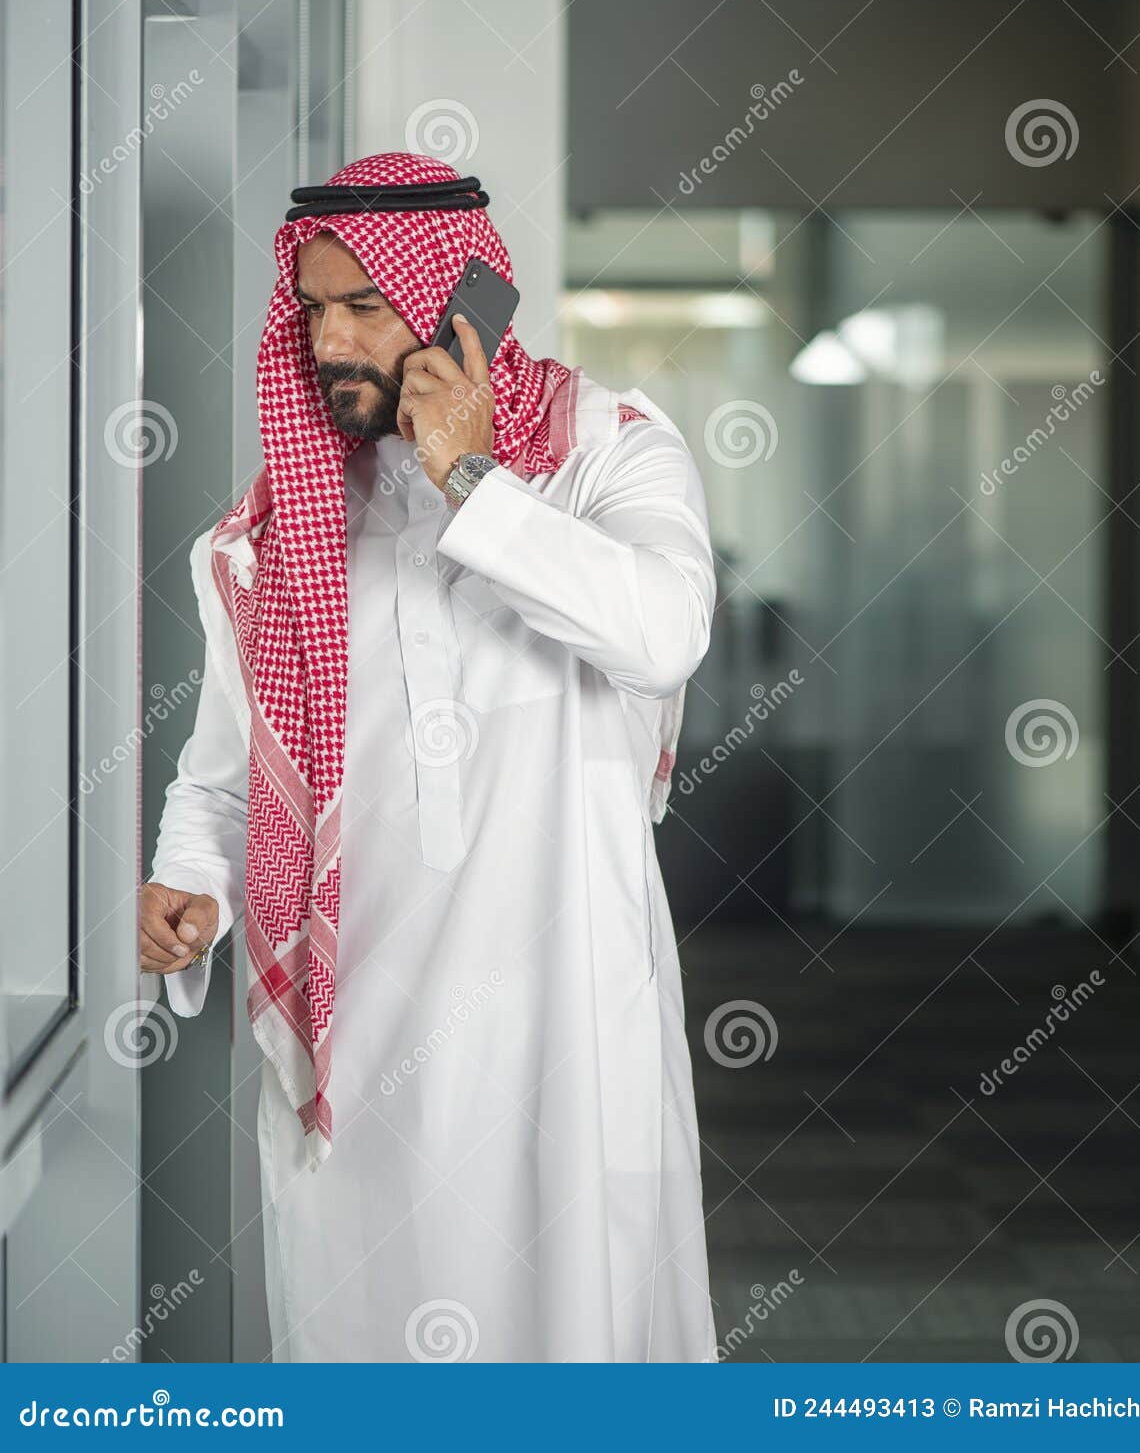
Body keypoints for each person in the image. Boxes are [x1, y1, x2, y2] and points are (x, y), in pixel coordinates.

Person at [139, 151, 717, 1363]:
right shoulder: (267, 543)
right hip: (363, 1037)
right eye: (311, 309)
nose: (332, 341)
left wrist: (468, 475)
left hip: (565, 1027)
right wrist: (189, 874)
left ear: (463, 307)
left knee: (578, 1351)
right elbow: (225, 778)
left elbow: (660, 634)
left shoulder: (608, 451)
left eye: (365, 306)